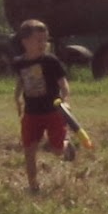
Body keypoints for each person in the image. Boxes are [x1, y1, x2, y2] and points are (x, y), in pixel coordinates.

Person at [11, 19, 71, 192]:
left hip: (53, 112)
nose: (43, 44)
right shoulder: (19, 62)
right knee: (29, 150)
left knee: (57, 151)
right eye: (38, 40)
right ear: (25, 42)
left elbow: (63, 84)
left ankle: (66, 145)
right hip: (31, 114)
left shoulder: (51, 62)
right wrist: (17, 97)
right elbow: (20, 81)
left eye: (45, 40)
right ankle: (33, 186)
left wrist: (66, 100)